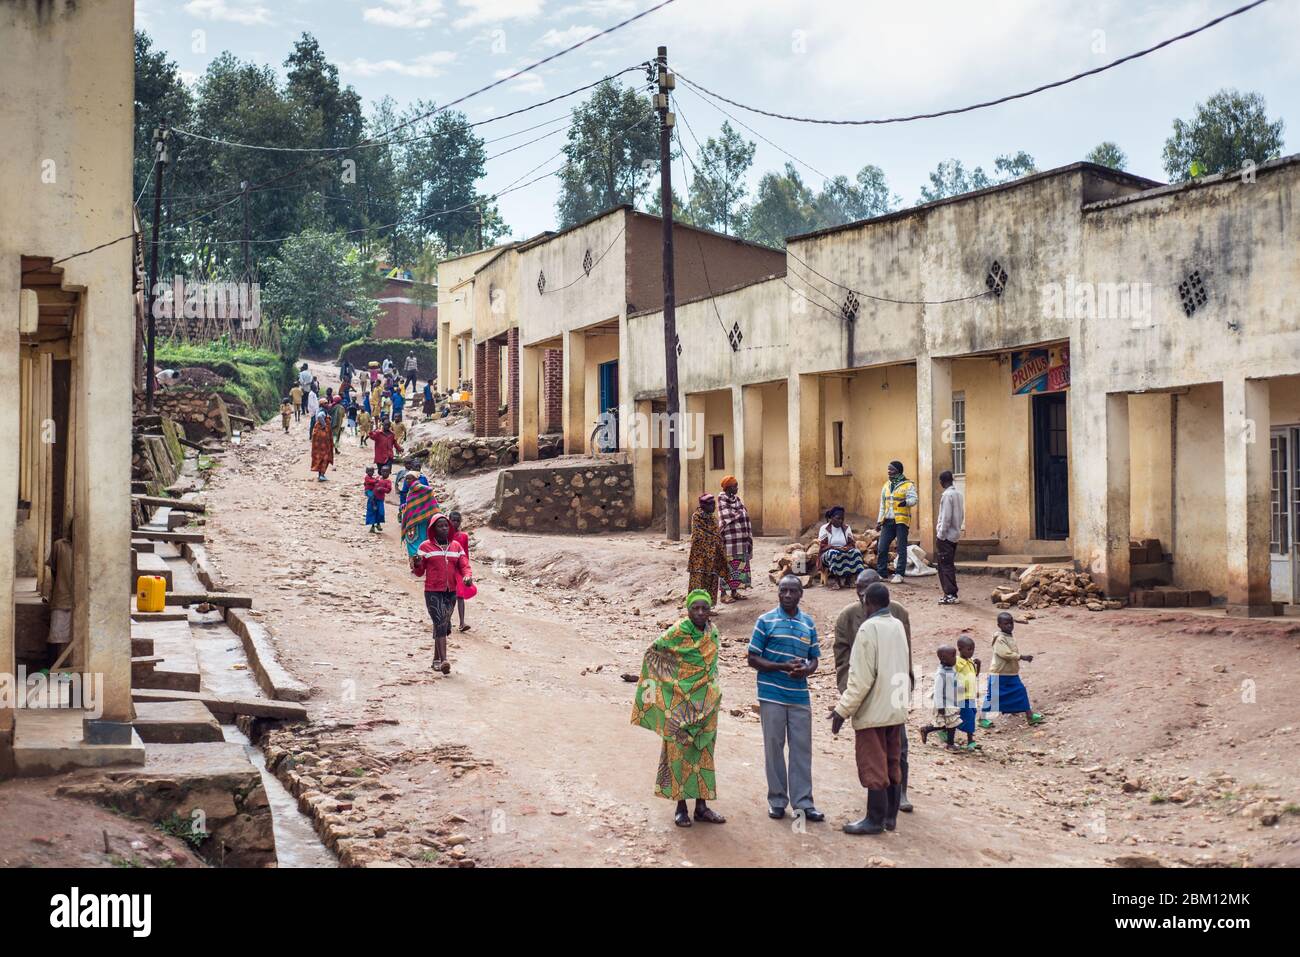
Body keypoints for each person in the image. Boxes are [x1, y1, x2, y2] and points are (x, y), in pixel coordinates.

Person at [630, 589, 726, 828]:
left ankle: (702, 806)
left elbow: (711, 667)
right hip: (681, 705)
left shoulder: (713, 632)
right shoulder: (679, 630)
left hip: (706, 705)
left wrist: (713, 689)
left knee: (704, 755)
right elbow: (653, 653)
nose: (701, 612)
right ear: (688, 609)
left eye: (705, 608)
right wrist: (669, 688)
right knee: (679, 753)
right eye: (696, 608)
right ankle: (681, 807)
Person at [828, 581, 911, 835]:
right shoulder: (897, 624)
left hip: (873, 710)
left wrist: (842, 711)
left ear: (868, 603)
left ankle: (873, 820)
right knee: (892, 761)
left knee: (873, 763)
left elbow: (860, 679)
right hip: (895, 707)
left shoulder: (868, 629)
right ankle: (890, 816)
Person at [748, 575, 824, 822]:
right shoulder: (765, 621)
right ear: (778, 593)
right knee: (774, 748)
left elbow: (814, 658)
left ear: (801, 594)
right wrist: (781, 666)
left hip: (800, 696)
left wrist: (807, 670)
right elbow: (752, 658)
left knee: (802, 750)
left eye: (793, 591)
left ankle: (803, 803)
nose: (788, 595)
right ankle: (777, 800)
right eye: (784, 591)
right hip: (771, 694)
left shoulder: (808, 624)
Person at [412, 513, 471, 675]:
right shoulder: (425, 547)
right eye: (440, 526)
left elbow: (464, 566)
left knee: (443, 625)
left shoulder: (456, 547)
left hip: (450, 592)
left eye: (446, 525)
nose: (444, 528)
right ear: (433, 529)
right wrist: (417, 563)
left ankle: (436, 660)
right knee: (440, 622)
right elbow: (418, 572)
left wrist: (467, 576)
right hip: (432, 591)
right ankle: (445, 660)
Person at [979, 612, 1045, 729]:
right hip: (998, 674)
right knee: (992, 697)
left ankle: (1029, 716)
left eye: (1011, 623)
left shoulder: (1009, 636)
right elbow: (1005, 654)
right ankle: (982, 718)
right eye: (1006, 624)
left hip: (1011, 673)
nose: (1009, 625)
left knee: (1020, 691)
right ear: (999, 625)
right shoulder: (1000, 638)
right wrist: (1021, 657)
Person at [876, 460, 918, 584]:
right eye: (888, 469)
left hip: (901, 522)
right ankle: (881, 573)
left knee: (901, 548)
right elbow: (882, 505)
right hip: (887, 521)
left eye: (891, 469)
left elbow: (914, 499)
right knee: (882, 547)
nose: (889, 471)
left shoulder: (908, 485)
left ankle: (899, 574)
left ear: (898, 471)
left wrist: (906, 502)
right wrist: (879, 521)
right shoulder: (886, 486)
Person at [686, 493, 730, 606]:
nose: (714, 507)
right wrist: (714, 539)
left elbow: (717, 534)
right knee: (698, 581)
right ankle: (695, 606)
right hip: (699, 558)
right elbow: (698, 535)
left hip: (713, 556)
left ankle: (708, 607)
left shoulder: (713, 518)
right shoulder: (696, 517)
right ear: (704, 505)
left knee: (711, 580)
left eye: (714, 505)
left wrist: (717, 542)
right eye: (711, 505)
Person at [919, 645, 963, 750]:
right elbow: (937, 692)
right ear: (943, 659)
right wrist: (940, 706)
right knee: (952, 723)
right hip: (943, 703)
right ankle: (950, 744)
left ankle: (926, 729)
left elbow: (954, 682)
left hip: (951, 701)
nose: (955, 658)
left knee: (945, 723)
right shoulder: (941, 674)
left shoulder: (951, 669)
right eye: (953, 656)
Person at [717, 476, 753, 604]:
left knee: (738, 566)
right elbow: (726, 517)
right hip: (728, 541)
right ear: (728, 487)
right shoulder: (721, 500)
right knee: (727, 567)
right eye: (735, 485)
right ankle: (723, 594)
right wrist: (741, 513)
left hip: (741, 540)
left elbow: (743, 514)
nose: (737, 488)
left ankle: (734, 591)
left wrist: (741, 514)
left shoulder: (737, 499)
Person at [818, 505, 867, 587]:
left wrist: (846, 548)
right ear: (832, 518)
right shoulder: (825, 528)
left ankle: (849, 579)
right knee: (834, 553)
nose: (840, 521)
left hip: (844, 551)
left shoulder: (846, 528)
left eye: (842, 519)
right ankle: (837, 580)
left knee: (856, 552)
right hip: (827, 553)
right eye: (838, 518)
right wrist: (835, 548)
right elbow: (823, 546)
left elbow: (851, 543)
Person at [935, 469, 965, 604]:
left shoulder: (947, 495)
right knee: (948, 564)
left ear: (942, 482)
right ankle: (951, 593)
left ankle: (950, 594)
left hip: (946, 536)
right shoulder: (958, 494)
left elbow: (945, 517)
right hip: (955, 534)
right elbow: (961, 514)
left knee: (945, 565)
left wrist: (941, 534)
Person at [46, 526, 74, 649]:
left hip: (80, 600)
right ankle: (54, 666)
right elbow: (54, 571)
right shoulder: (59, 545)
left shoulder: (87, 547)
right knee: (56, 638)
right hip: (61, 598)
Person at [400, 472, 438, 557]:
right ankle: (418, 561)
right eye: (406, 479)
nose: (407, 480)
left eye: (410, 478)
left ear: (415, 479)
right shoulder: (411, 490)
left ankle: (417, 561)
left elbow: (429, 490)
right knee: (417, 540)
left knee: (415, 541)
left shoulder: (417, 487)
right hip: (415, 520)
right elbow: (413, 503)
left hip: (420, 521)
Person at [955, 634, 981, 750]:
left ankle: (943, 729)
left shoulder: (970, 661)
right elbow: (952, 679)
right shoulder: (956, 662)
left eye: (973, 649)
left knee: (972, 714)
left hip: (970, 695)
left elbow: (974, 675)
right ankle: (970, 740)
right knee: (968, 716)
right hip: (961, 696)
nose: (971, 652)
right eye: (969, 649)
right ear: (960, 649)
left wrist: (978, 665)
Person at [448, 510, 471, 633]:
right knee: (450, 595)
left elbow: (466, 554)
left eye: (457, 521)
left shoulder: (463, 536)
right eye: (453, 520)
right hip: (447, 567)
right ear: (449, 520)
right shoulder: (444, 535)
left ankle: (462, 622)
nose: (455, 523)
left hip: (459, 568)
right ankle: (447, 620)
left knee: (460, 595)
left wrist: (467, 571)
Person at [310, 411, 333, 481]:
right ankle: (321, 475)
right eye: (325, 403)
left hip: (321, 443)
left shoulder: (317, 427)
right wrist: (324, 425)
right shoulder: (322, 413)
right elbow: (320, 416)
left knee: (321, 458)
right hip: (323, 443)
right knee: (324, 458)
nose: (328, 405)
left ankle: (321, 475)